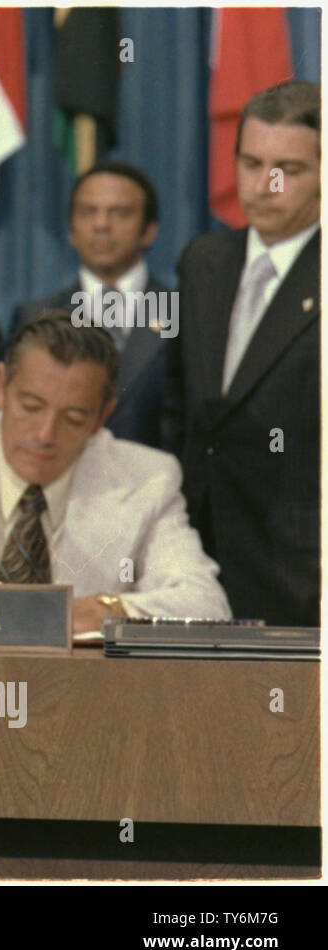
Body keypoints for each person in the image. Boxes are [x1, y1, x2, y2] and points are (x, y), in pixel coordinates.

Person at [0, 312, 230, 633]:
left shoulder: (148, 479)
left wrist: (111, 610)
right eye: (31, 405)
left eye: (74, 418)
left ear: (102, 417)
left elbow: (206, 605)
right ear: (0, 387)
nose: (44, 434)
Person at [163, 81, 320, 627]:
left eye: (289, 170)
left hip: (300, 572)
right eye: (251, 163)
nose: (264, 185)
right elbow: (179, 408)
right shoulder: (204, 259)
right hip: (192, 562)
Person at [13, 161, 170, 448]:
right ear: (72, 230)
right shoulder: (36, 317)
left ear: (149, 230)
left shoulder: (181, 312)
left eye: (119, 213)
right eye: (88, 213)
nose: (101, 225)